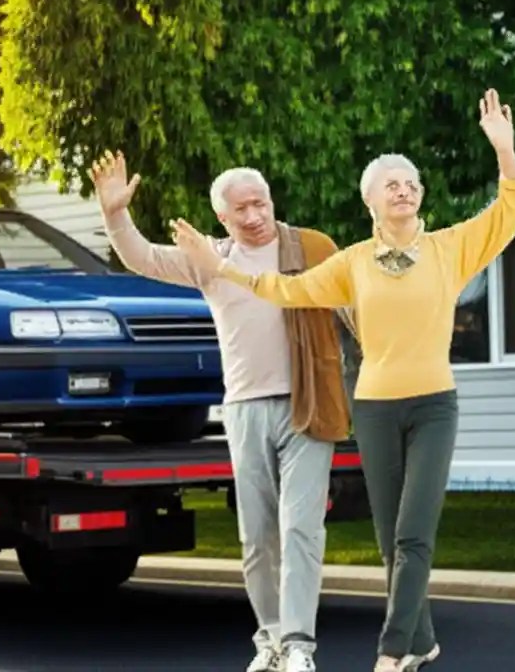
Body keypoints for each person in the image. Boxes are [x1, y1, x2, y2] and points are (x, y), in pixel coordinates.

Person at [168, 88, 515, 672]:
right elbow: (285, 289)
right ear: (371, 202)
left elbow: (509, 211)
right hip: (376, 409)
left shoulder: (448, 250)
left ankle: (390, 654)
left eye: (411, 183)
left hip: (435, 404)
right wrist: (222, 268)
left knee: (413, 535)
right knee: (391, 542)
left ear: (420, 197)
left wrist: (504, 153)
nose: (404, 189)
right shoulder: (352, 262)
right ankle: (423, 642)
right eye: (392, 183)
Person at [91, 151, 355, 672]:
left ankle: (300, 645)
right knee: (257, 536)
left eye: (261, 203)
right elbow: (141, 257)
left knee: (301, 529)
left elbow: (354, 304)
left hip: (308, 406)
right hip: (244, 408)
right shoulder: (207, 257)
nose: (255, 216)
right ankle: (270, 641)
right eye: (242, 210)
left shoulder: (312, 247)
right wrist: (115, 215)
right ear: (223, 218)